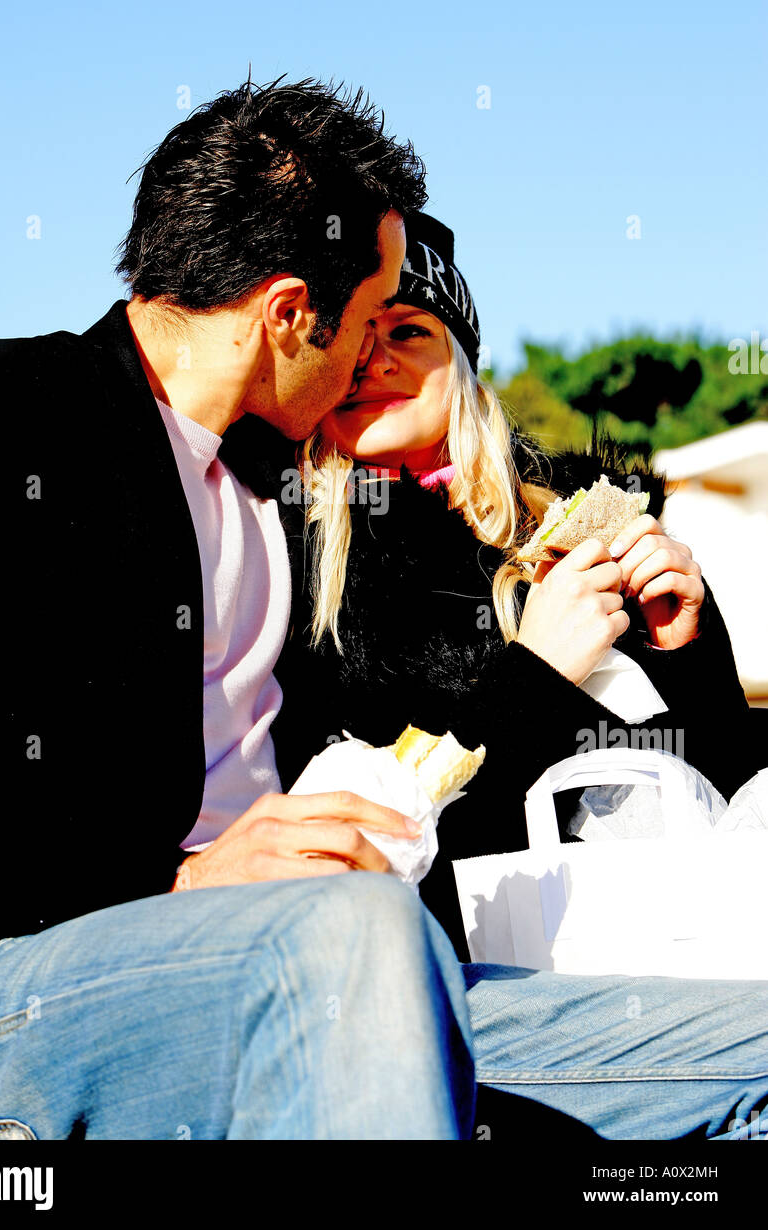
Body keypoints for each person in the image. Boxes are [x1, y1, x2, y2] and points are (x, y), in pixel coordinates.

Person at [0, 96, 766, 1141]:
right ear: (286, 315)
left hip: (364, 967)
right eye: (367, 322)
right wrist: (179, 879)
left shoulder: (265, 497)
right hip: (48, 991)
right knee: (350, 935)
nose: (370, 364)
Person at [265, 211, 758, 952]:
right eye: (356, 339)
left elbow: (721, 794)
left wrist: (690, 647)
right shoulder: (291, 568)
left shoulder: (583, 525)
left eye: (408, 332)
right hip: (476, 979)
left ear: (462, 359)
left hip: (671, 946)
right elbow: (389, 854)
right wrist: (536, 677)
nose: (376, 362)